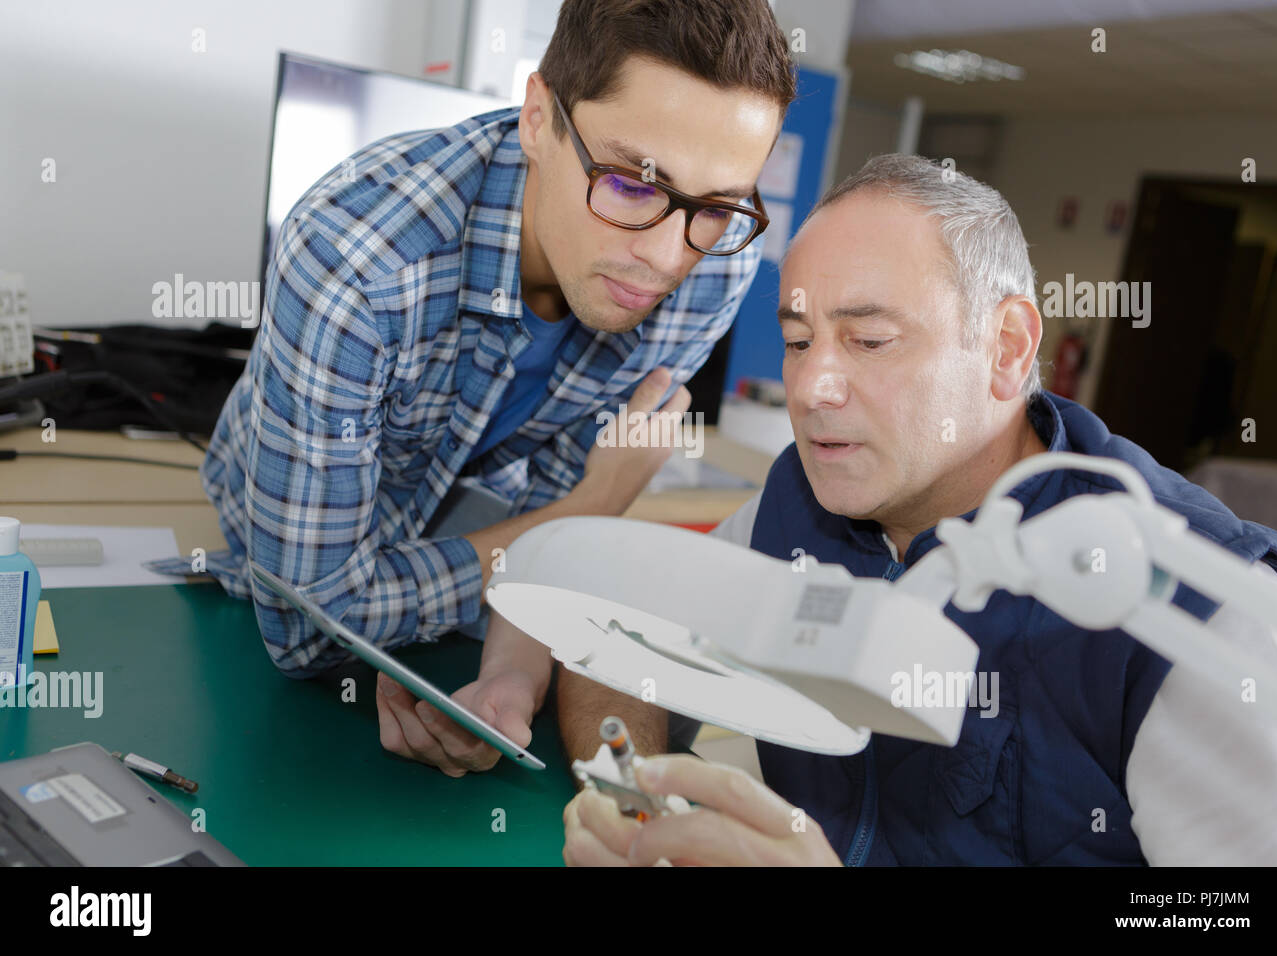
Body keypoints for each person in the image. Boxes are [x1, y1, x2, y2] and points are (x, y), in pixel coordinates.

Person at [557, 153, 1277, 865]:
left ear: (1007, 348)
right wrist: (636, 806)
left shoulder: (1196, 615)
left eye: (870, 341)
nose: (811, 388)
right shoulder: (798, 508)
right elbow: (624, 650)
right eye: (797, 339)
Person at [147, 0, 794, 777]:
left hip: (475, 529)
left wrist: (511, 674)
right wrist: (593, 506)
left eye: (718, 206)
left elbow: (546, 509)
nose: (664, 259)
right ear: (535, 118)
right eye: (630, 184)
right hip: (292, 532)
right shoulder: (355, 262)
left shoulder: (715, 262)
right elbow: (308, 624)